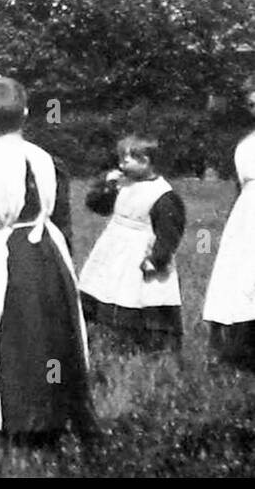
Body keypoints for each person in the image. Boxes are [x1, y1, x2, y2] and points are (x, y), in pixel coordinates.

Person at [0, 78, 97, 444]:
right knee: (49, 336)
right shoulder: (47, 160)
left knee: (10, 338)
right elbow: (61, 219)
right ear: (27, 114)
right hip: (48, 256)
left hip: (6, 262)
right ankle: (55, 409)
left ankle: (16, 418)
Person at [78, 133, 186, 352]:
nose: (122, 163)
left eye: (129, 159)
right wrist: (106, 186)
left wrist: (157, 258)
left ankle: (145, 341)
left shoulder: (163, 195)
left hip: (140, 252)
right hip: (113, 247)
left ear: (147, 161)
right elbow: (98, 207)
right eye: (121, 158)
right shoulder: (123, 184)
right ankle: (106, 331)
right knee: (106, 286)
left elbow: (169, 233)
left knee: (139, 293)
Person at [203, 74, 255, 370]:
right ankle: (241, 350)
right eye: (251, 104)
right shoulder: (246, 145)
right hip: (248, 219)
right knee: (243, 281)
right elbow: (241, 189)